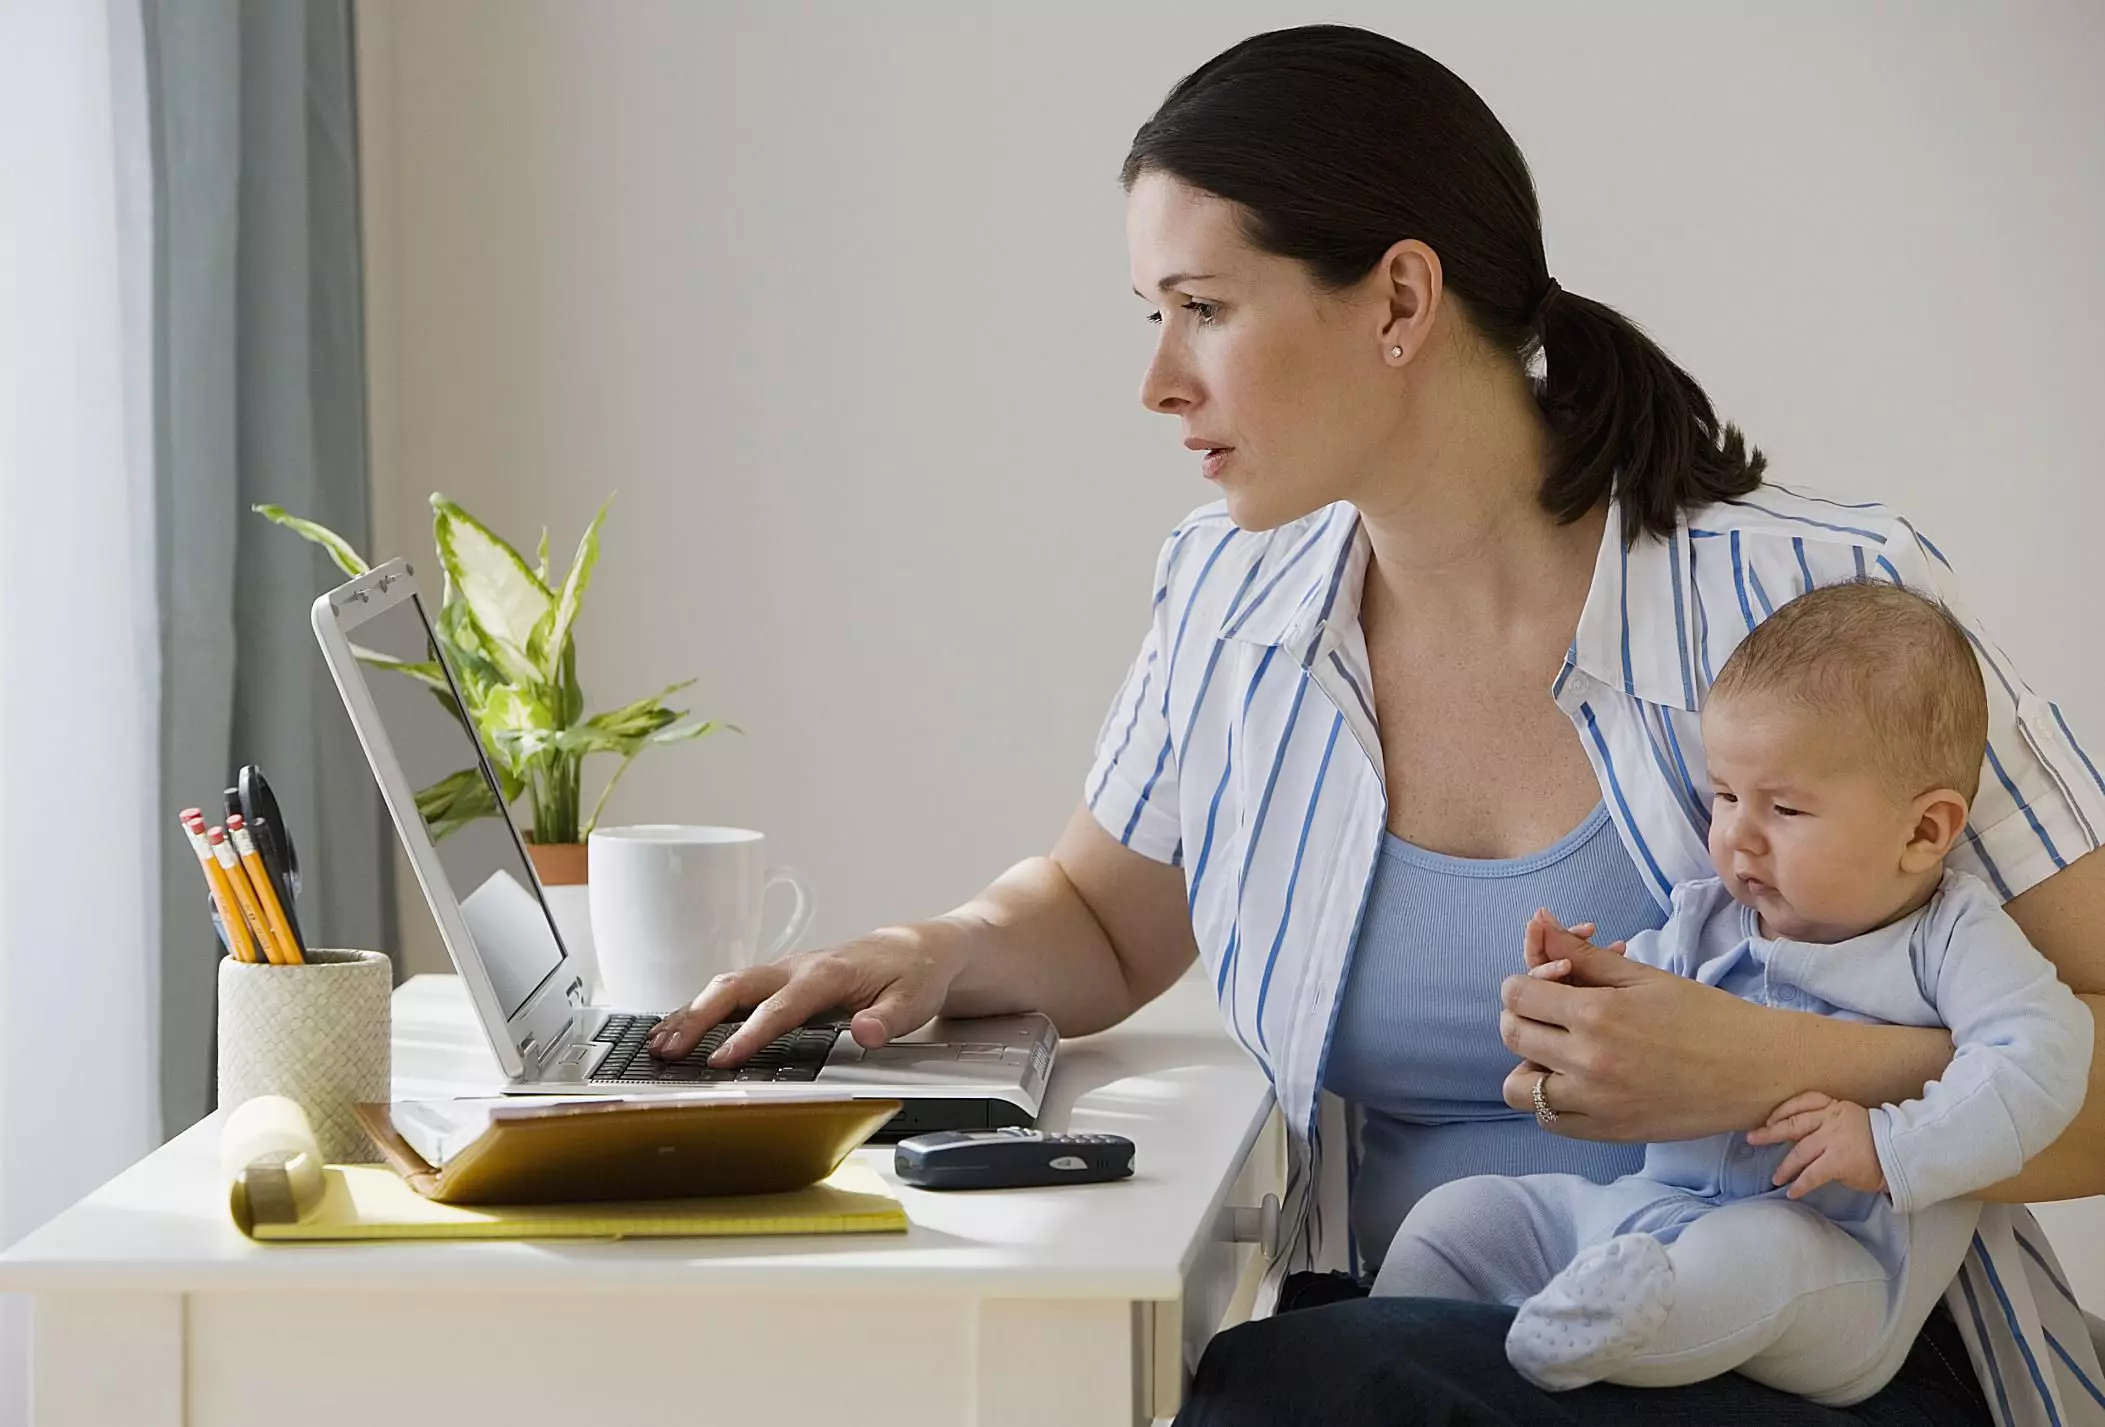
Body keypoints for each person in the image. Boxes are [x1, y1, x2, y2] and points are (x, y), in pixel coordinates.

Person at [646, 23, 2105, 1425]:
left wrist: (1762, 1066)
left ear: (1402, 300)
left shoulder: (1817, 600)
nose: (1157, 379)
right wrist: (932, 947)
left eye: (1204, 309)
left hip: (1807, 1351)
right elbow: (1100, 914)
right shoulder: (1229, 588)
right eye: (1153, 315)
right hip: (1415, 1330)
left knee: (1290, 1392)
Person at [1373, 580, 2092, 1407]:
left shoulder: (1950, 940)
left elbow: (2043, 1055)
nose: (1736, 836)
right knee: (1462, 1218)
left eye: (1783, 807)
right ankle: (1411, 1341)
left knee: (1751, 1263)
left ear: (1923, 830)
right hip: (1650, 1211)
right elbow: (1640, 1009)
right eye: (1722, 795)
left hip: (1836, 1268)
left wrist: (1891, 1144)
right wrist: (1579, 988)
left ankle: (1580, 1344)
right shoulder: (1708, 915)